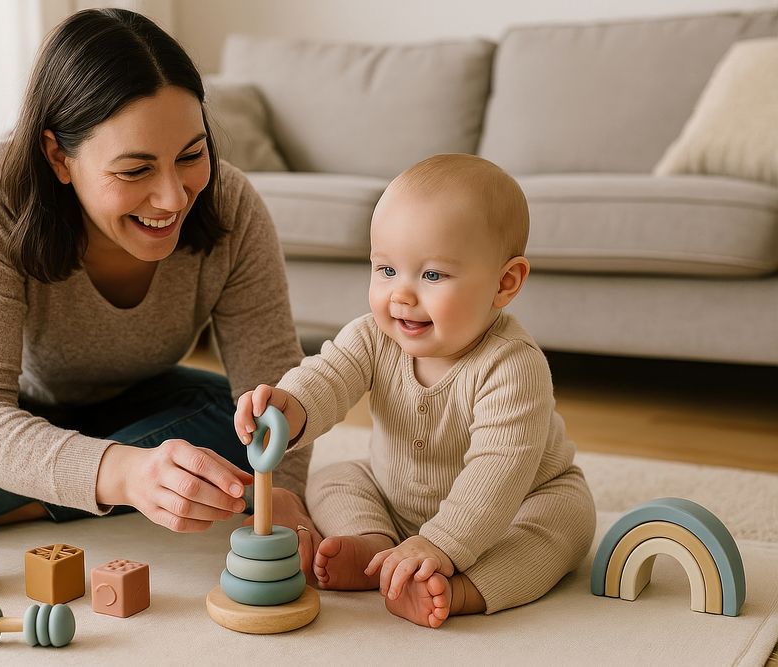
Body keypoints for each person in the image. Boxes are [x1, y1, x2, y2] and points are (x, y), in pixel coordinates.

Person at [0, 7, 318, 573]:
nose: (173, 197)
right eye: (135, 170)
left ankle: (15, 500)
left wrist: (281, 492)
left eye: (191, 156)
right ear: (59, 157)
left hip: (122, 400)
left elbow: (275, 388)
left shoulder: (232, 205)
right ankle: (100, 479)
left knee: (242, 425)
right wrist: (125, 470)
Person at [234, 154, 596, 628]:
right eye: (386, 270)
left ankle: (460, 589)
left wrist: (442, 543)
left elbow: (498, 472)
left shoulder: (513, 366)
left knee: (562, 524)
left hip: (514, 504)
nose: (401, 295)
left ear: (505, 284)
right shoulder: (372, 336)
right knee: (332, 479)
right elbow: (327, 376)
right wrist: (291, 405)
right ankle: (375, 548)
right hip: (394, 495)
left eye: (432, 275)